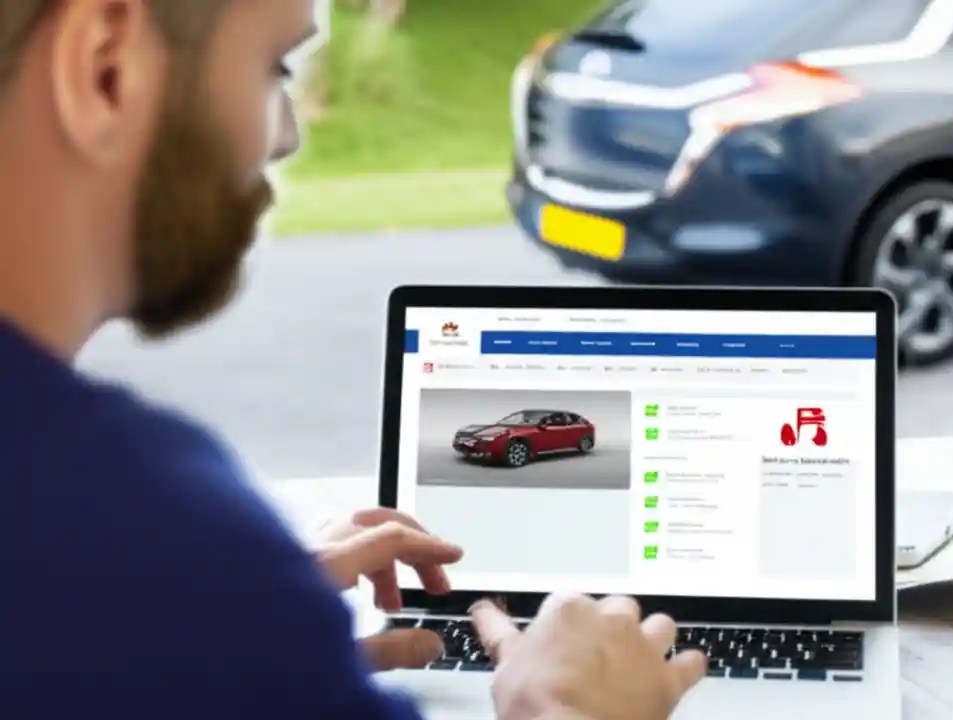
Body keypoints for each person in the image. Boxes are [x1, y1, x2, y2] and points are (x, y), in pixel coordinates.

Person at [0, 1, 706, 718]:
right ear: (105, 69)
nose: (286, 136)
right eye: (273, 68)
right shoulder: (152, 534)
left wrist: (237, 639)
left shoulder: (122, 581)